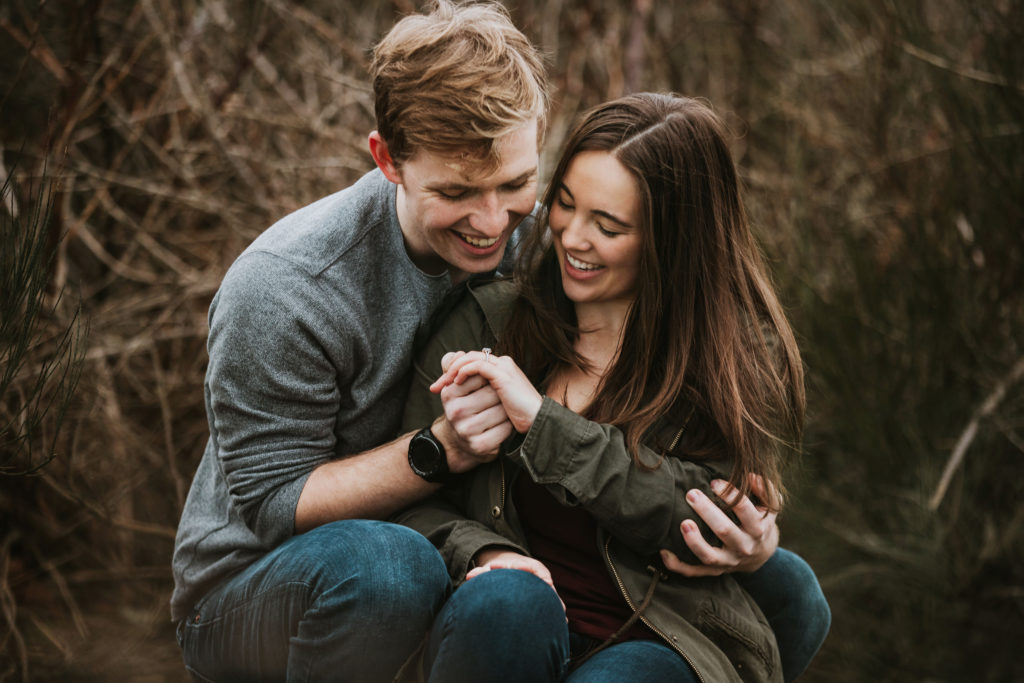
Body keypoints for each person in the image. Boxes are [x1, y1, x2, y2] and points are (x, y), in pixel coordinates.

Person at [396, 93, 830, 682]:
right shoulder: (490, 324)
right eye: (566, 205)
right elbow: (412, 499)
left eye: (608, 225)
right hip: (504, 628)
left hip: (655, 634)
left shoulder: (729, 360)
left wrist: (543, 425)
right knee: (510, 607)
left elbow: (699, 515)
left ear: (672, 240)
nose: (573, 238)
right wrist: (483, 553)